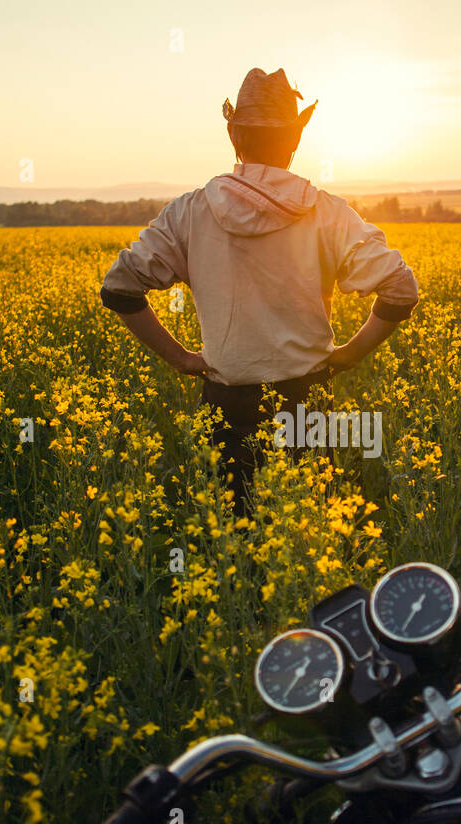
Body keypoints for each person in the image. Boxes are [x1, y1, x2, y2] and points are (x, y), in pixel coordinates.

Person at [99, 67, 420, 512]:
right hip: (305, 404)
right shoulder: (327, 213)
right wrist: (350, 354)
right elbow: (401, 289)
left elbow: (119, 288)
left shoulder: (189, 213)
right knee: (307, 543)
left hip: (226, 402)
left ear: (234, 136)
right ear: (295, 141)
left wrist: (182, 358)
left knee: (232, 545)